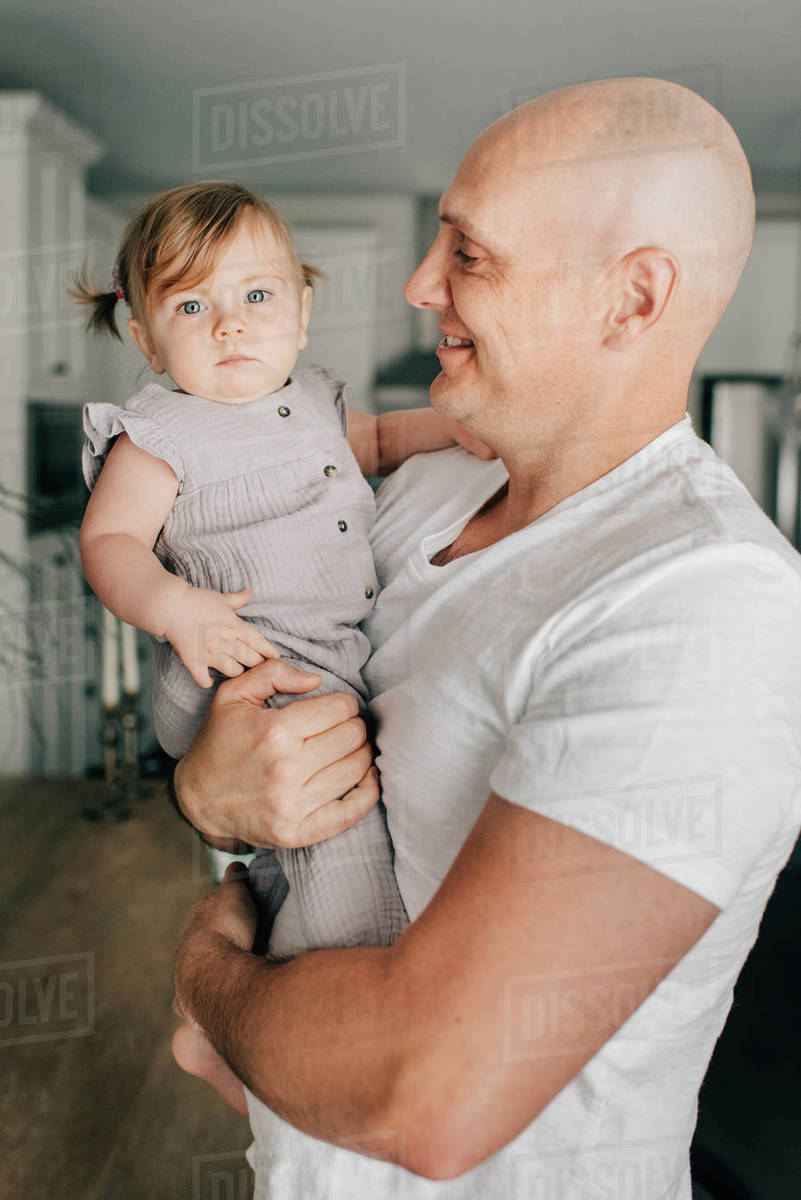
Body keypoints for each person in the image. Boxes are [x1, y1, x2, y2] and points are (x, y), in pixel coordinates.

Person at [170, 78, 801, 1198]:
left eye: (469, 253)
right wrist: (208, 798)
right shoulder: (421, 493)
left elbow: (430, 1093)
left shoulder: (710, 600)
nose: (422, 287)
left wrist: (205, 974)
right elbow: (262, 777)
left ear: (633, 298)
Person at [76, 181, 492, 1109]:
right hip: (244, 665)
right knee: (342, 828)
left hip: (320, 656)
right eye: (191, 305)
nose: (228, 325)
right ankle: (340, 991)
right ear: (145, 339)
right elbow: (108, 545)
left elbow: (379, 438)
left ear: (301, 315)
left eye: (255, 296)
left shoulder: (313, 402)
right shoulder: (159, 431)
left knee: (287, 851)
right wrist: (178, 609)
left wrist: (465, 430)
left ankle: (242, 1022)